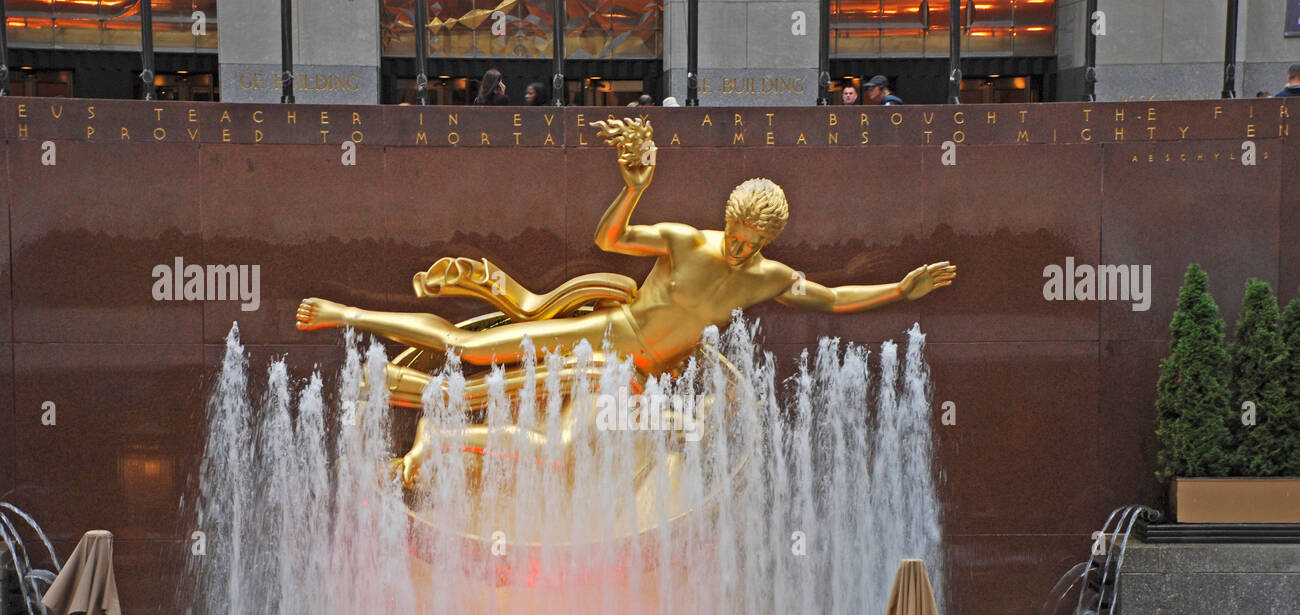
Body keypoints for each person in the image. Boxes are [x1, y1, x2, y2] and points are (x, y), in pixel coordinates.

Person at [296, 117, 955, 483]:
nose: (734, 248)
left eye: (748, 241)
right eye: (732, 233)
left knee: (559, 456)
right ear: (725, 222)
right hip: (602, 337)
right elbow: (608, 236)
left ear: (766, 241)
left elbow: (833, 298)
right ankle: (345, 313)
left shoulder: (767, 280)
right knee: (470, 347)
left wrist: (900, 288)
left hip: (635, 382)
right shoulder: (685, 241)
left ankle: (443, 442)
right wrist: (635, 185)